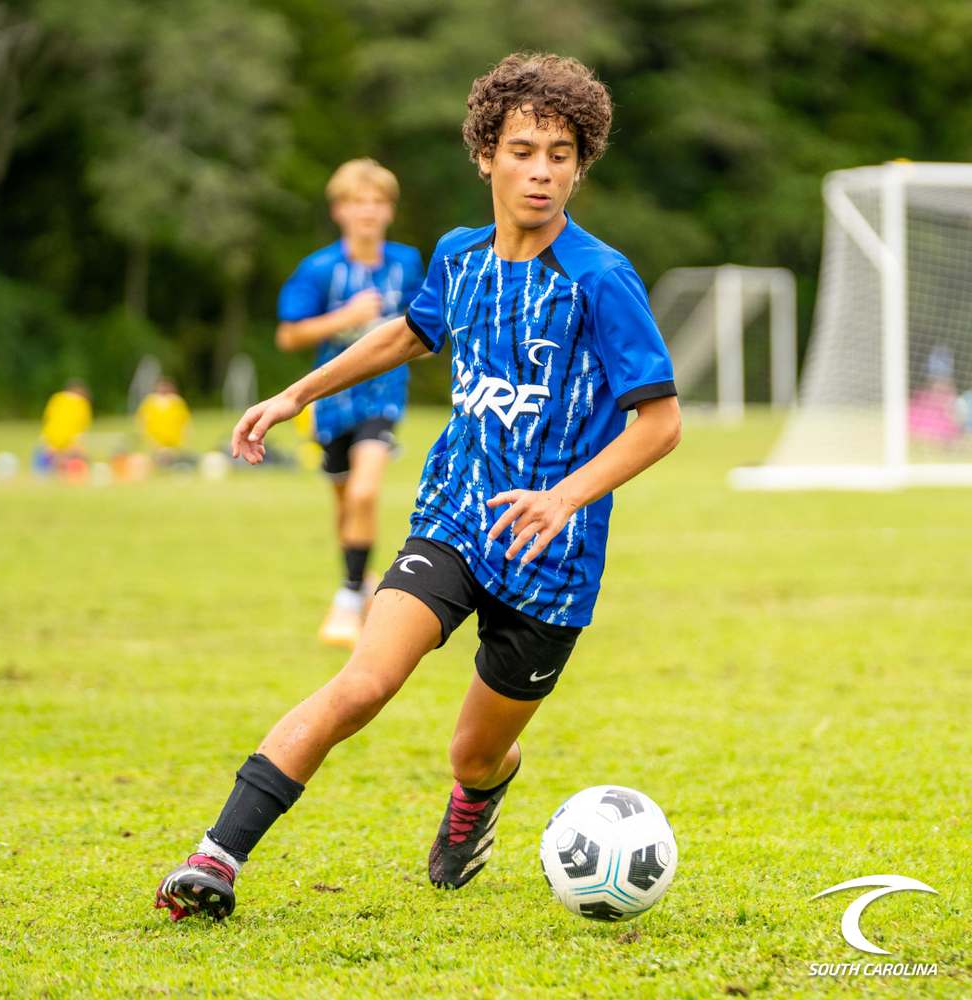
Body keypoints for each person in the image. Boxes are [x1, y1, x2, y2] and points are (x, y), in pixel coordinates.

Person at [154, 53, 681, 923]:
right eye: (522, 149)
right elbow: (409, 332)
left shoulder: (601, 279)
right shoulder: (459, 256)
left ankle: (475, 805)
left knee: (475, 755)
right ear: (485, 155)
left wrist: (562, 498)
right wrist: (295, 393)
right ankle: (215, 858)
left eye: (560, 152)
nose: (541, 169)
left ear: (582, 162)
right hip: (456, 517)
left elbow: (659, 424)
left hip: (553, 556)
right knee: (363, 682)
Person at [275, 159, 425, 648]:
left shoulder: (406, 262)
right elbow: (289, 334)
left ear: (389, 211)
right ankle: (361, 585)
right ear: (340, 210)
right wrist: (342, 317)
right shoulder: (318, 269)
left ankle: (345, 597)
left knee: (364, 493)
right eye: (359, 202)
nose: (368, 211)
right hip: (330, 401)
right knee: (345, 504)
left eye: (378, 202)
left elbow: (422, 327)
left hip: (382, 396)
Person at [34, 380, 92, 476]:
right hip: (69, 445)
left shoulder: (56, 398)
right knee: (81, 454)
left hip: (49, 442)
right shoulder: (82, 404)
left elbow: (46, 418)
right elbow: (83, 429)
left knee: (43, 457)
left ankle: (45, 472)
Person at [136, 378, 192, 457]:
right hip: (155, 442)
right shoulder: (150, 402)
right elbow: (142, 420)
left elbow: (185, 421)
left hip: (173, 441)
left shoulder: (177, 402)